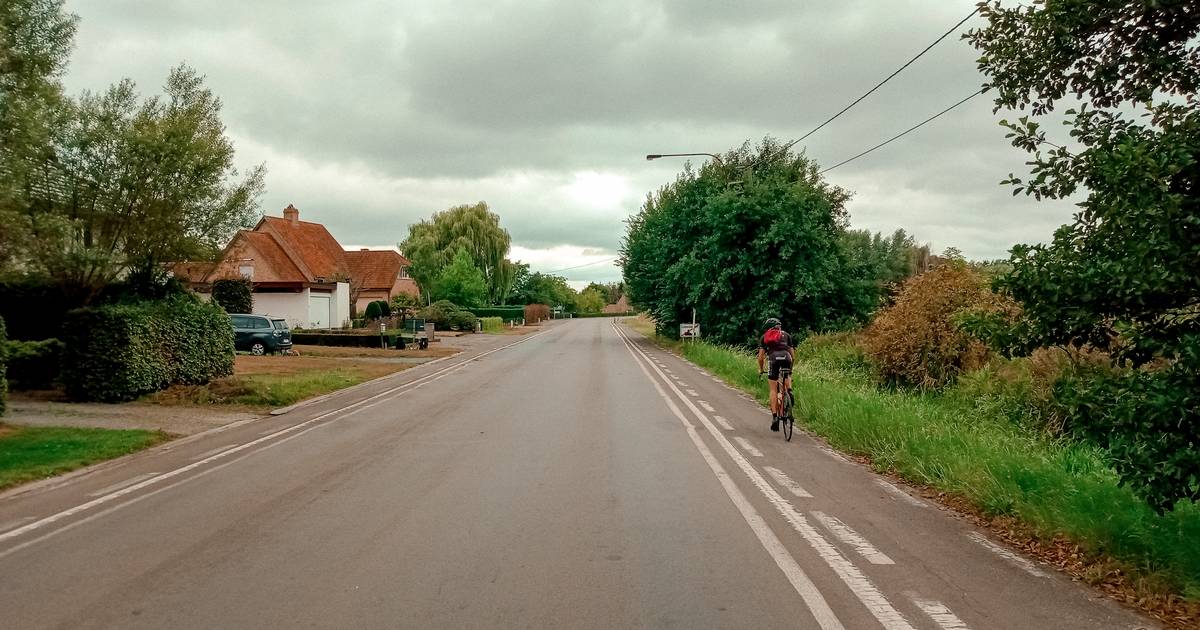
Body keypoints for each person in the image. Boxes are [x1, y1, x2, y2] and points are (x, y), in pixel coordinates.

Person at [757, 317, 794, 431]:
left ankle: (775, 417)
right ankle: (789, 391)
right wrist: (791, 368)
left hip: (773, 359)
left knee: (773, 389)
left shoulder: (765, 337)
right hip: (787, 358)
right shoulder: (787, 335)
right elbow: (792, 355)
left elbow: (761, 357)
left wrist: (761, 369)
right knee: (787, 375)